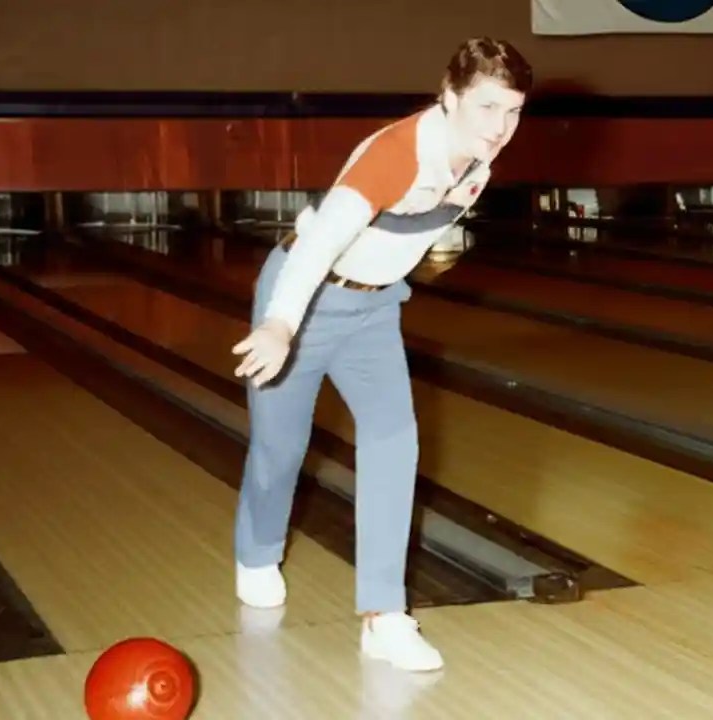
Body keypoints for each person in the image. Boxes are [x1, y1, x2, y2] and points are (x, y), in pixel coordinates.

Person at [229, 37, 533, 672]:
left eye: (512, 112)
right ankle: (256, 553)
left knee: (395, 441)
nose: (500, 127)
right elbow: (321, 244)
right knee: (280, 449)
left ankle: (384, 616)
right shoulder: (395, 154)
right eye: (486, 108)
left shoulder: (478, 163)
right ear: (448, 97)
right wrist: (280, 324)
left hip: (373, 311)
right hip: (305, 300)